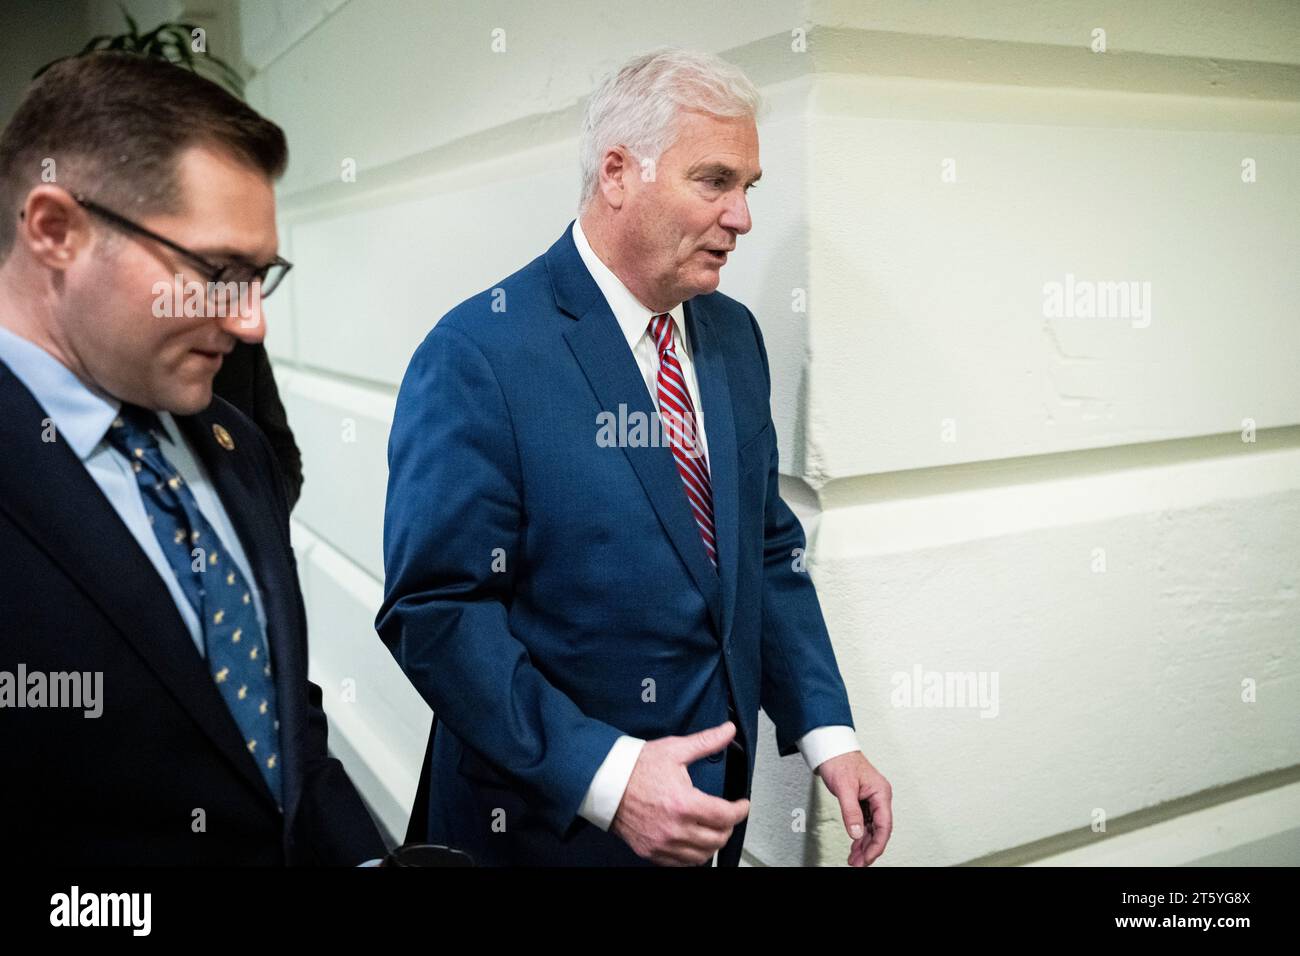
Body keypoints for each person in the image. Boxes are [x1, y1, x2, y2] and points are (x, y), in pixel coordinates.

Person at [378, 48, 892, 867]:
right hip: (546, 836)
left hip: (707, 829)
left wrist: (828, 733)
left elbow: (763, 550)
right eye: (714, 181)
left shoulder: (732, 338)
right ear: (617, 172)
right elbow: (439, 614)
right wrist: (610, 778)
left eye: (749, 188)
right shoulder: (480, 354)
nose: (742, 218)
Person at [0, 51, 384, 865]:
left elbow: (282, 719)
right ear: (56, 230)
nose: (251, 325)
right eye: (216, 273)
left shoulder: (233, 440)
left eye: (260, 276)